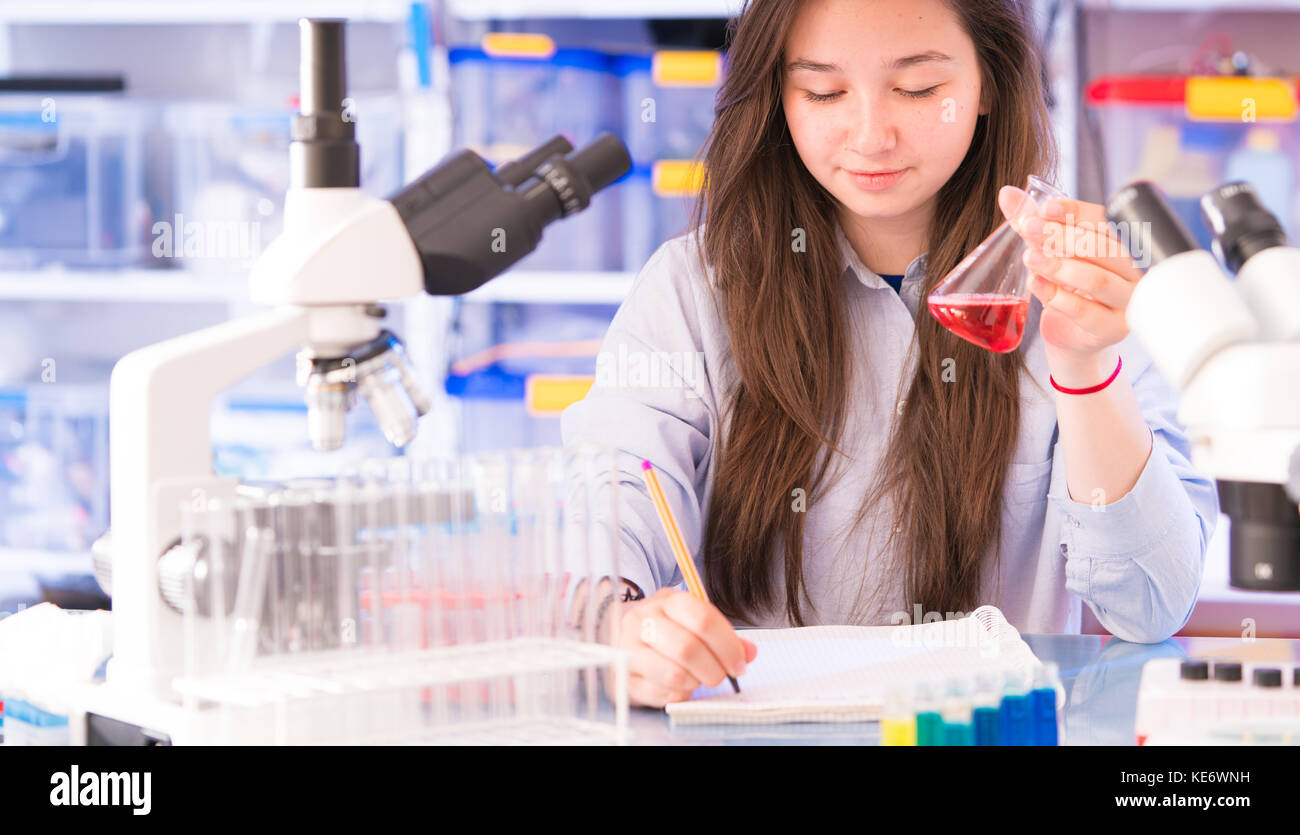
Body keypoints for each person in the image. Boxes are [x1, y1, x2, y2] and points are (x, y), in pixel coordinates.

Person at [562, 0, 1218, 708]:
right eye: (823, 91)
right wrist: (623, 619)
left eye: (918, 89)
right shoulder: (692, 291)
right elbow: (614, 492)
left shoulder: (1081, 287)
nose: (871, 134)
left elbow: (1152, 603)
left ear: (988, 83)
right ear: (778, 94)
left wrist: (1086, 368)